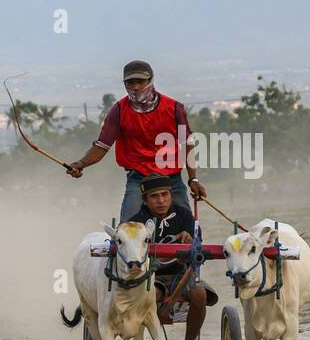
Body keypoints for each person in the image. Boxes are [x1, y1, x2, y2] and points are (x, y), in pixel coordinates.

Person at [67, 60, 207, 222]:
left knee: (187, 227)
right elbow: (101, 146)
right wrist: (80, 164)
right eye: (130, 83)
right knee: (127, 229)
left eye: (140, 81)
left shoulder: (174, 109)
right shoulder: (118, 111)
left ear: (151, 80)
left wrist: (193, 179)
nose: (135, 87)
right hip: (138, 179)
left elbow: (187, 144)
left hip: (171, 178)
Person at [127, 175, 216, 340]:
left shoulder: (184, 216)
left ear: (171, 195)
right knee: (151, 296)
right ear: (145, 200)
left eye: (165, 195)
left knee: (200, 294)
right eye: (154, 196)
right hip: (150, 277)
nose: (161, 200)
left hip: (181, 274)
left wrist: (190, 240)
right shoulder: (136, 224)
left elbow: (198, 244)